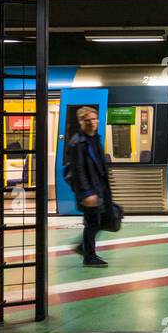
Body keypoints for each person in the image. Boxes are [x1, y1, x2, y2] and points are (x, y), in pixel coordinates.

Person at [64, 105, 112, 267]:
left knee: (103, 219)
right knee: (92, 223)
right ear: (80, 122)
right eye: (88, 120)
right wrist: (86, 193)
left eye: (94, 119)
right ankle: (89, 257)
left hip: (100, 188)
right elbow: (77, 171)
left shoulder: (95, 138)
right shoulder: (77, 143)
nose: (92, 122)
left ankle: (83, 247)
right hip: (89, 191)